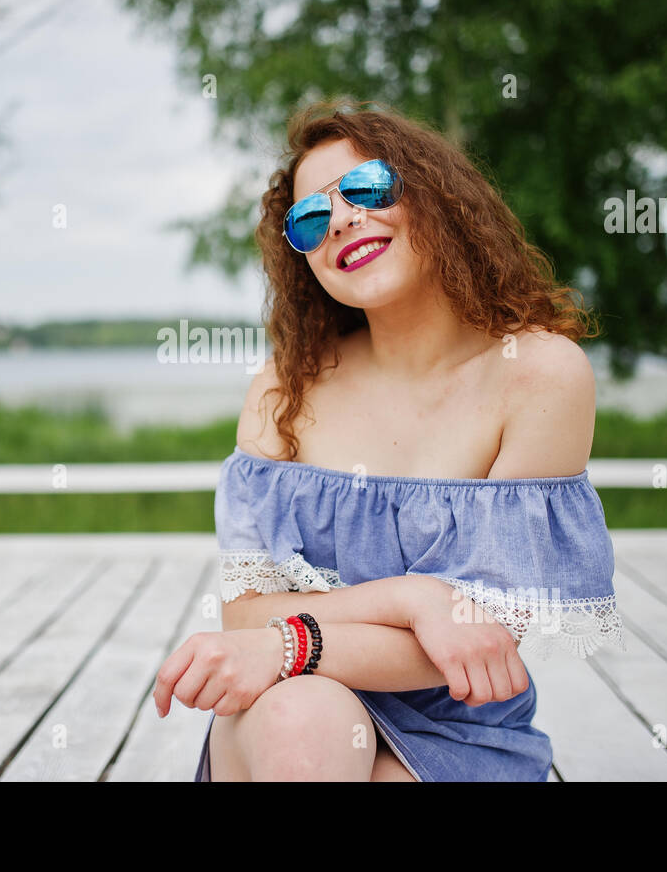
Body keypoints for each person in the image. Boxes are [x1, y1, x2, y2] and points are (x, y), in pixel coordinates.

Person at [151, 98, 624, 781]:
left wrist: (291, 640)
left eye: (370, 187)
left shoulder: (539, 374)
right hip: (286, 707)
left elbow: (480, 638)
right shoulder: (284, 390)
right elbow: (246, 613)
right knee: (300, 719)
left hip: (462, 725)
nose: (342, 217)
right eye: (312, 217)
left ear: (434, 193)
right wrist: (413, 599)